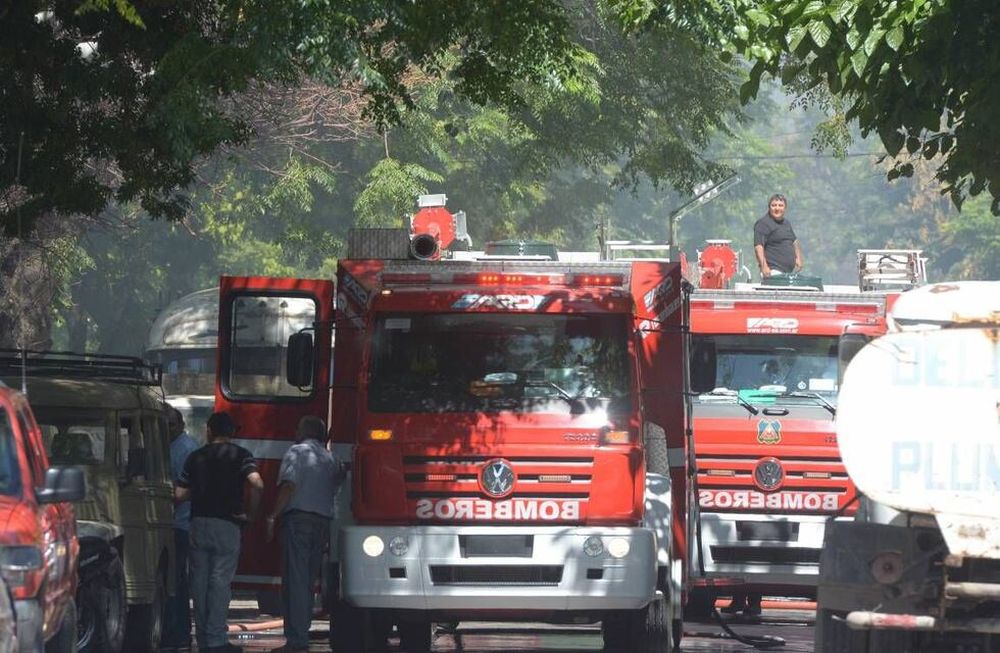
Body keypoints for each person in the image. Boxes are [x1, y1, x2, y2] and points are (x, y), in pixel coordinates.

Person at [175, 412, 263, 653]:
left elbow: (180, 494)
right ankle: (216, 640)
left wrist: (202, 492)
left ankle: (203, 639)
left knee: (200, 583)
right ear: (232, 433)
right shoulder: (242, 456)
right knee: (219, 583)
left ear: (209, 431)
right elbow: (257, 484)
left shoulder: (195, 456)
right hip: (227, 525)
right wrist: (251, 515)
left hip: (199, 524)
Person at [266, 415, 343, 653]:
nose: (295, 430)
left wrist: (272, 516)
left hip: (298, 520)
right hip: (322, 522)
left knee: (296, 581)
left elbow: (289, 486)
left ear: (306, 431)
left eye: (298, 426)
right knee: (308, 581)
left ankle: (297, 639)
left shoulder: (297, 452)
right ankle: (301, 632)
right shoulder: (331, 459)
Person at [162, 407, 200, 651]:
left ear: (180, 424)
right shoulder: (168, 445)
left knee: (176, 580)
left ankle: (179, 632)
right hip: (171, 523)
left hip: (180, 524)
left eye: (171, 424)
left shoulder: (186, 449)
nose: (168, 429)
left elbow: (187, 489)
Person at [753, 194, 803, 278]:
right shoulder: (763, 223)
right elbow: (758, 247)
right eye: (774, 205)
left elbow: (794, 241)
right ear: (769, 207)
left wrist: (798, 258)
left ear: (785, 208)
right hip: (772, 272)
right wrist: (764, 266)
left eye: (780, 205)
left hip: (787, 273)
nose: (777, 208)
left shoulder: (786, 223)